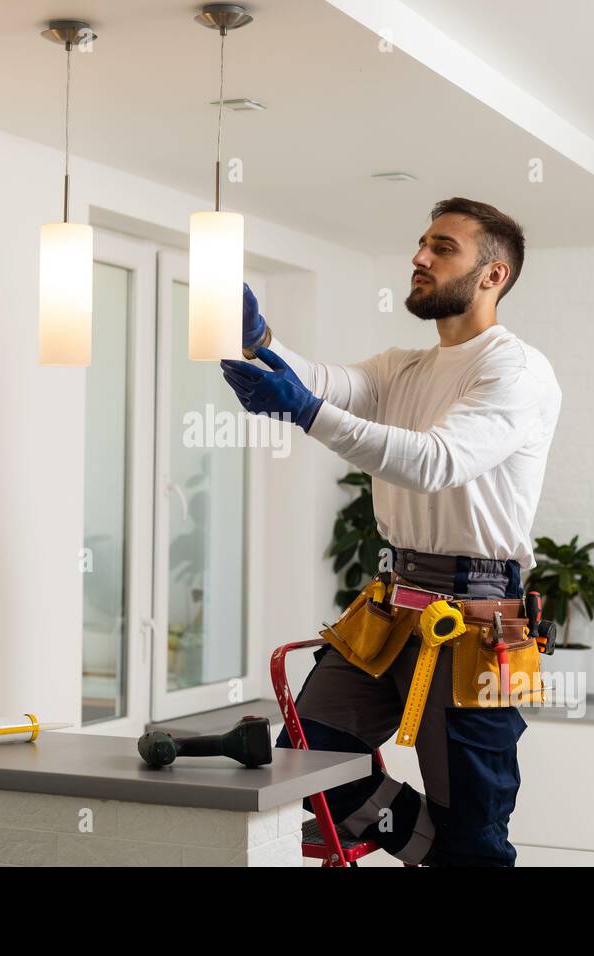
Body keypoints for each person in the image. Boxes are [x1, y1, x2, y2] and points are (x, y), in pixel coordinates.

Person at [220, 197, 562, 866]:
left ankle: (457, 847)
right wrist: (263, 344)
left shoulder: (516, 371)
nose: (419, 257)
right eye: (421, 245)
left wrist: (308, 414)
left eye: (442, 248)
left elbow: (436, 462)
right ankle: (434, 846)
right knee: (307, 765)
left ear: (493, 275)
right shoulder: (401, 366)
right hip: (392, 601)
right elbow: (323, 384)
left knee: (477, 821)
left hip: (480, 619)